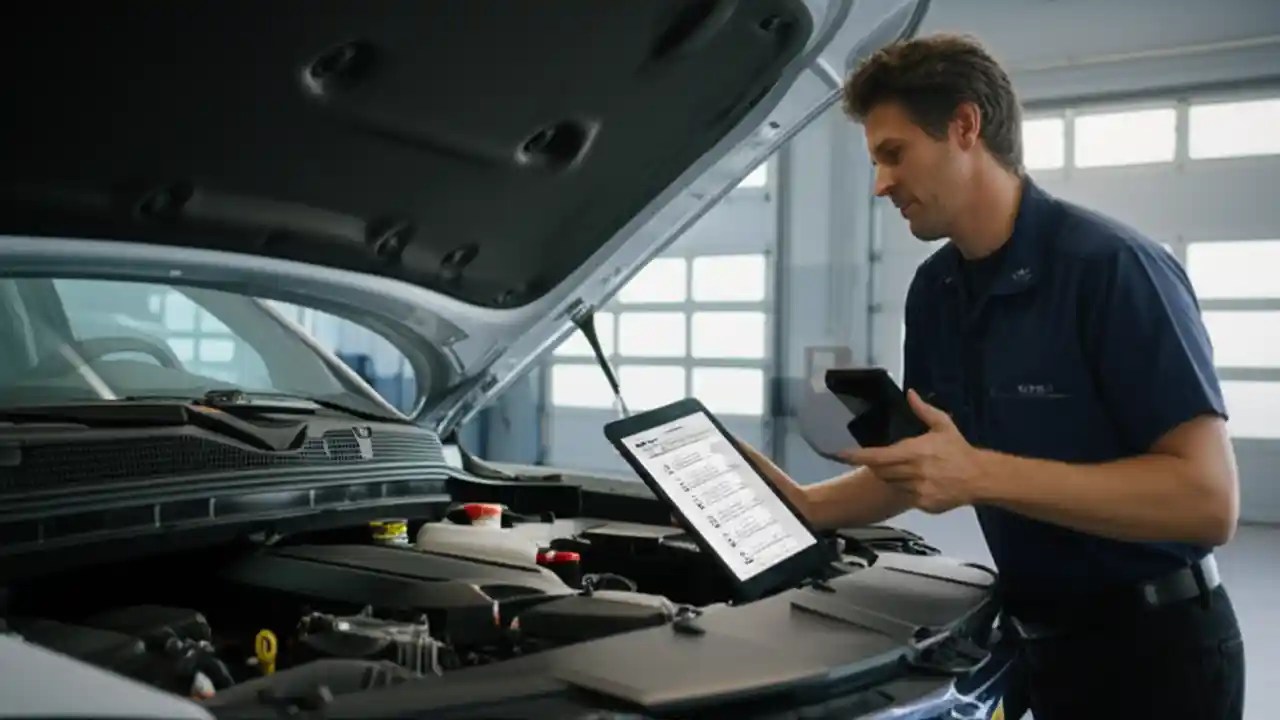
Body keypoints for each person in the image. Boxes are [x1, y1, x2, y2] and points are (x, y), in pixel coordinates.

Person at [741, 32, 1246, 719]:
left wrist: (979, 474)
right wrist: (805, 505)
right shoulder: (935, 292)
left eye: (894, 154)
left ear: (964, 126)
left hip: (1159, 653)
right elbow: (931, 466)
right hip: (1036, 644)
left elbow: (1207, 501)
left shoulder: (1113, 270)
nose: (881, 184)